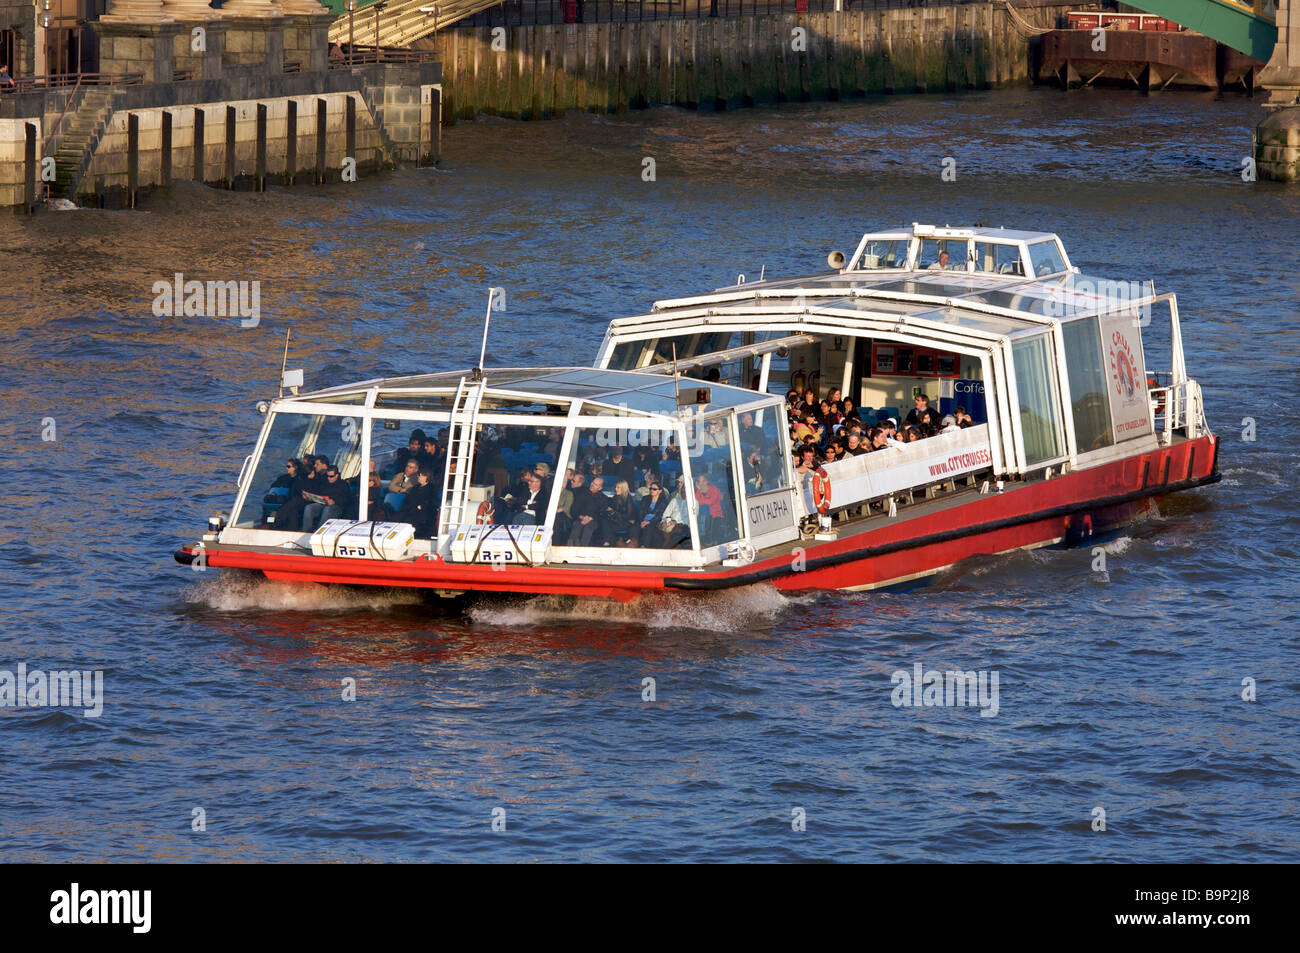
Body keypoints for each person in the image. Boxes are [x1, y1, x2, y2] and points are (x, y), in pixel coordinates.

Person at [302, 465, 350, 532]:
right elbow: (318, 492)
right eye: (327, 476)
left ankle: (319, 531)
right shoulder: (325, 483)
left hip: (337, 506)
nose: (329, 478)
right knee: (309, 507)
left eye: (331, 476)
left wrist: (334, 501)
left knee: (327, 509)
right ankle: (306, 531)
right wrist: (310, 497)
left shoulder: (343, 484)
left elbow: (346, 499)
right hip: (323, 503)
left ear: (337, 475)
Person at [398, 468, 439, 538]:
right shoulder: (415, 487)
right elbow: (408, 500)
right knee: (398, 517)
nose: (418, 477)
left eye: (420, 475)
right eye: (418, 475)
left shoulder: (432, 488)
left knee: (412, 520)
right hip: (411, 509)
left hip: (424, 512)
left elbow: (431, 502)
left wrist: (419, 507)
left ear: (427, 477)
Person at [569, 475, 606, 547]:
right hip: (580, 518)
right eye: (592, 482)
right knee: (577, 526)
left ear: (600, 488)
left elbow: (601, 514)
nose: (592, 485)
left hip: (594, 520)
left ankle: (583, 548)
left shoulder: (603, 499)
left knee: (589, 528)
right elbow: (574, 509)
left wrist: (590, 518)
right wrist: (581, 517)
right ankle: (571, 547)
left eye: (595, 484)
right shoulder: (582, 493)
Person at [602, 479, 638, 546]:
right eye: (616, 487)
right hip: (617, 520)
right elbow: (611, 509)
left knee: (608, 526)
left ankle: (608, 542)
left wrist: (614, 513)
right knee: (604, 521)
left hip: (626, 522)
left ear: (623, 489)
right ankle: (607, 542)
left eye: (618, 487)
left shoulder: (629, 499)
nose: (616, 489)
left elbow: (628, 516)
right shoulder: (615, 497)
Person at [659, 475, 691, 548]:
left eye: (681, 483)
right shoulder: (675, 499)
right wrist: (664, 521)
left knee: (676, 531)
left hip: (682, 526)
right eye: (679, 483)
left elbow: (690, 520)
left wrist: (676, 522)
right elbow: (666, 514)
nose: (679, 485)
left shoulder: (693, 502)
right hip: (669, 524)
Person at [636, 479, 669, 547]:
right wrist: (642, 521)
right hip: (643, 520)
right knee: (634, 529)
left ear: (660, 491)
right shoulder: (645, 498)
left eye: (654, 489)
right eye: (650, 488)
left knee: (648, 529)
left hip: (654, 521)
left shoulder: (663, 501)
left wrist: (648, 522)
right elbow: (641, 512)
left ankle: (644, 546)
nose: (651, 490)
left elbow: (660, 515)